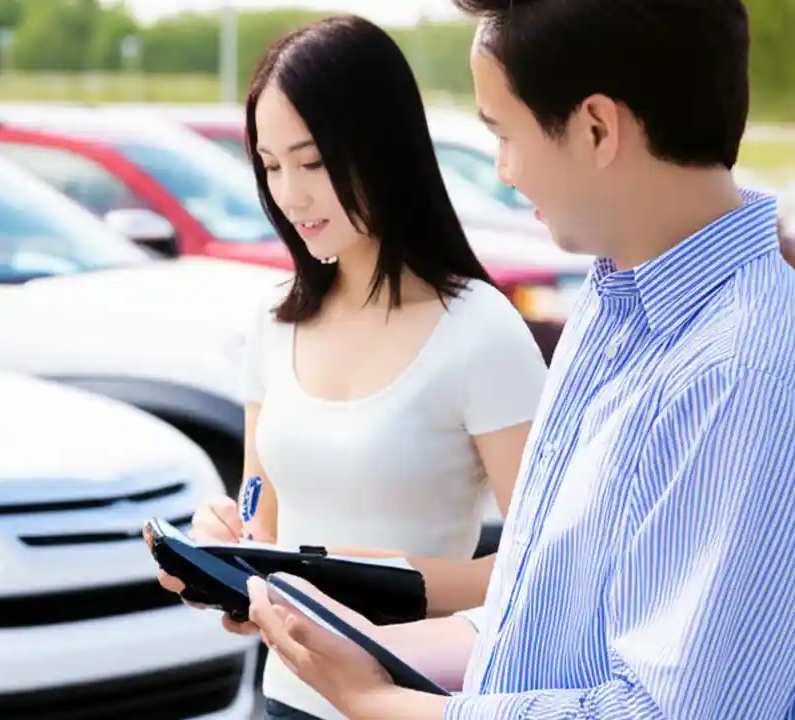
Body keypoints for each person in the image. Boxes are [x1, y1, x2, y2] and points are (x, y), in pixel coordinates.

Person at [245, 0, 795, 718]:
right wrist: (349, 644)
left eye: (503, 134)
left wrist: (383, 704)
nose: (503, 173)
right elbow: (533, 622)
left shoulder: (740, 371)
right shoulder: (611, 301)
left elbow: (669, 710)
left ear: (597, 128)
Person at [156, 14, 548, 720]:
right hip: (282, 697)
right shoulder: (274, 320)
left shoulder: (481, 331)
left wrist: (371, 583)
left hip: (412, 700)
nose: (291, 195)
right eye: (271, 167)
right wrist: (228, 555)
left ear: (383, 147)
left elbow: (542, 570)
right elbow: (261, 521)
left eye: (312, 162)